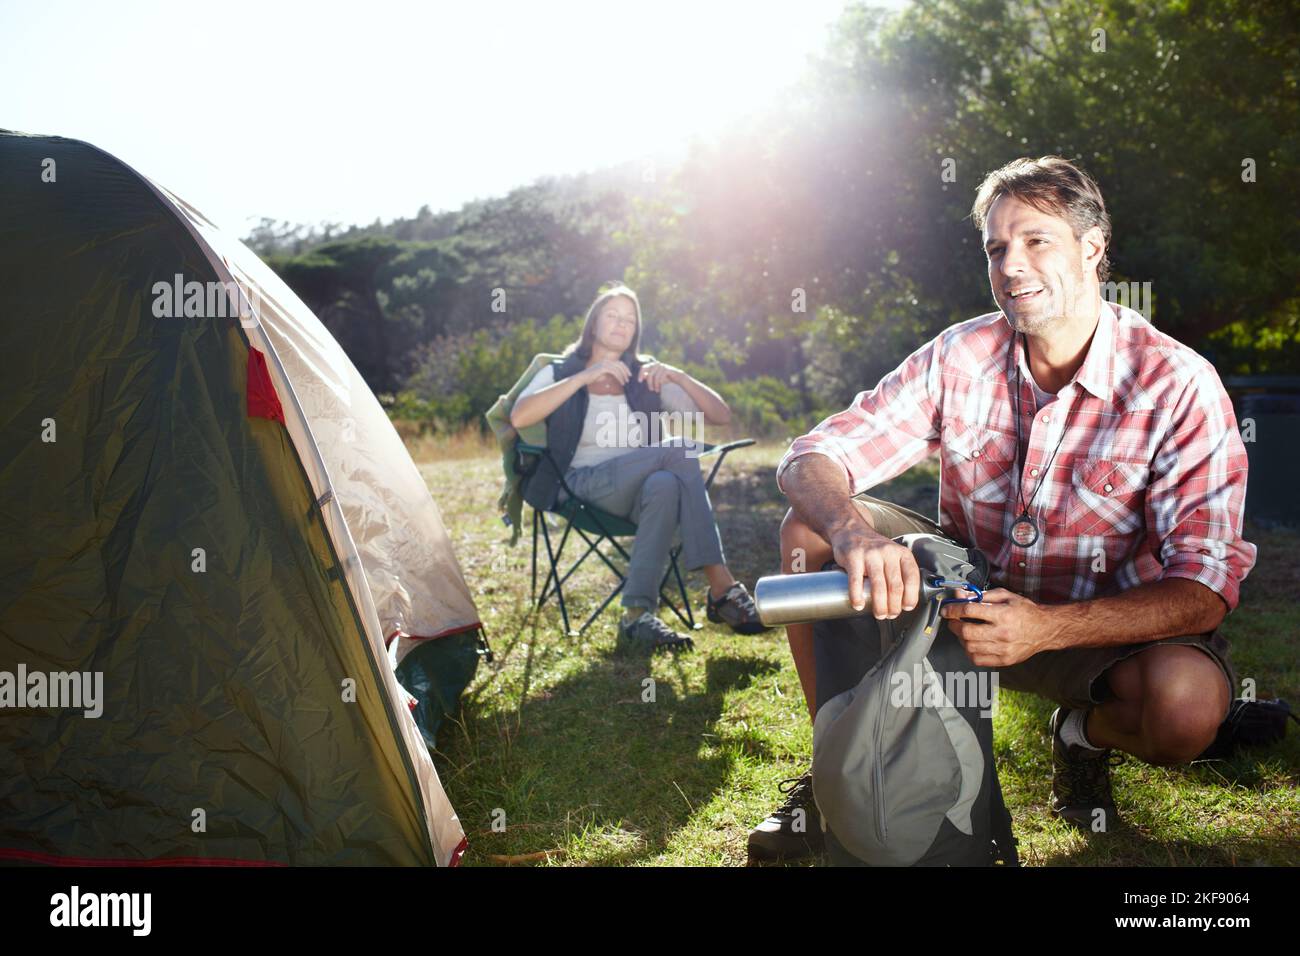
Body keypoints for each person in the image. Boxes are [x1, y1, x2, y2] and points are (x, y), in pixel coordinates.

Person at [748, 156, 1256, 862]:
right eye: (996, 248)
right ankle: (838, 763)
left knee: (1186, 708)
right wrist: (851, 531)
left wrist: (1047, 628)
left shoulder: (1177, 384)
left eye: (1035, 241)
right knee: (809, 528)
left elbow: (1205, 589)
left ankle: (1079, 739)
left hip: (1094, 628)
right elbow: (811, 457)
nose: (1010, 264)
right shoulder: (962, 354)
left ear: (1092, 248)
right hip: (962, 602)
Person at [510, 283, 768, 650]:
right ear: (593, 322)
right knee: (679, 450)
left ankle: (636, 616)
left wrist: (677, 375)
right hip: (580, 487)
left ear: (636, 331)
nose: (620, 324)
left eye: (629, 320)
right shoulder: (560, 371)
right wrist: (585, 376)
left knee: (664, 483)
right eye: (612, 316)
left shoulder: (645, 377)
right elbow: (520, 416)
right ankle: (721, 587)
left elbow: (719, 416)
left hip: (634, 495)